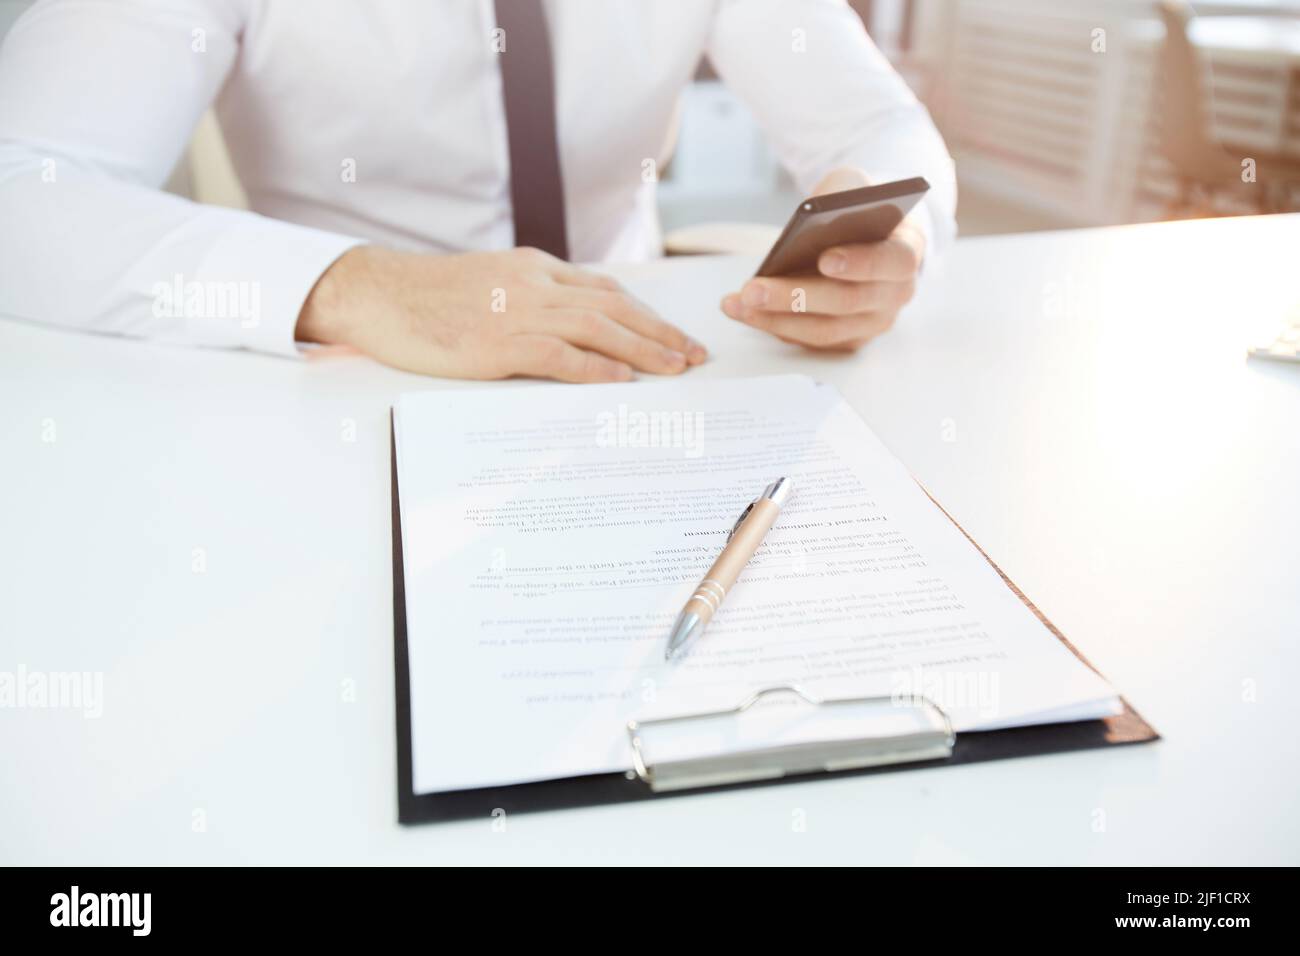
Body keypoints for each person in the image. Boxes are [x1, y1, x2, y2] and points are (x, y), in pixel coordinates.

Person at [0, 0, 956, 383]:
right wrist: (364, 287)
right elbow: (21, 190)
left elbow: (878, 127)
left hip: (642, 371)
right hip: (350, 381)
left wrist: (885, 222)